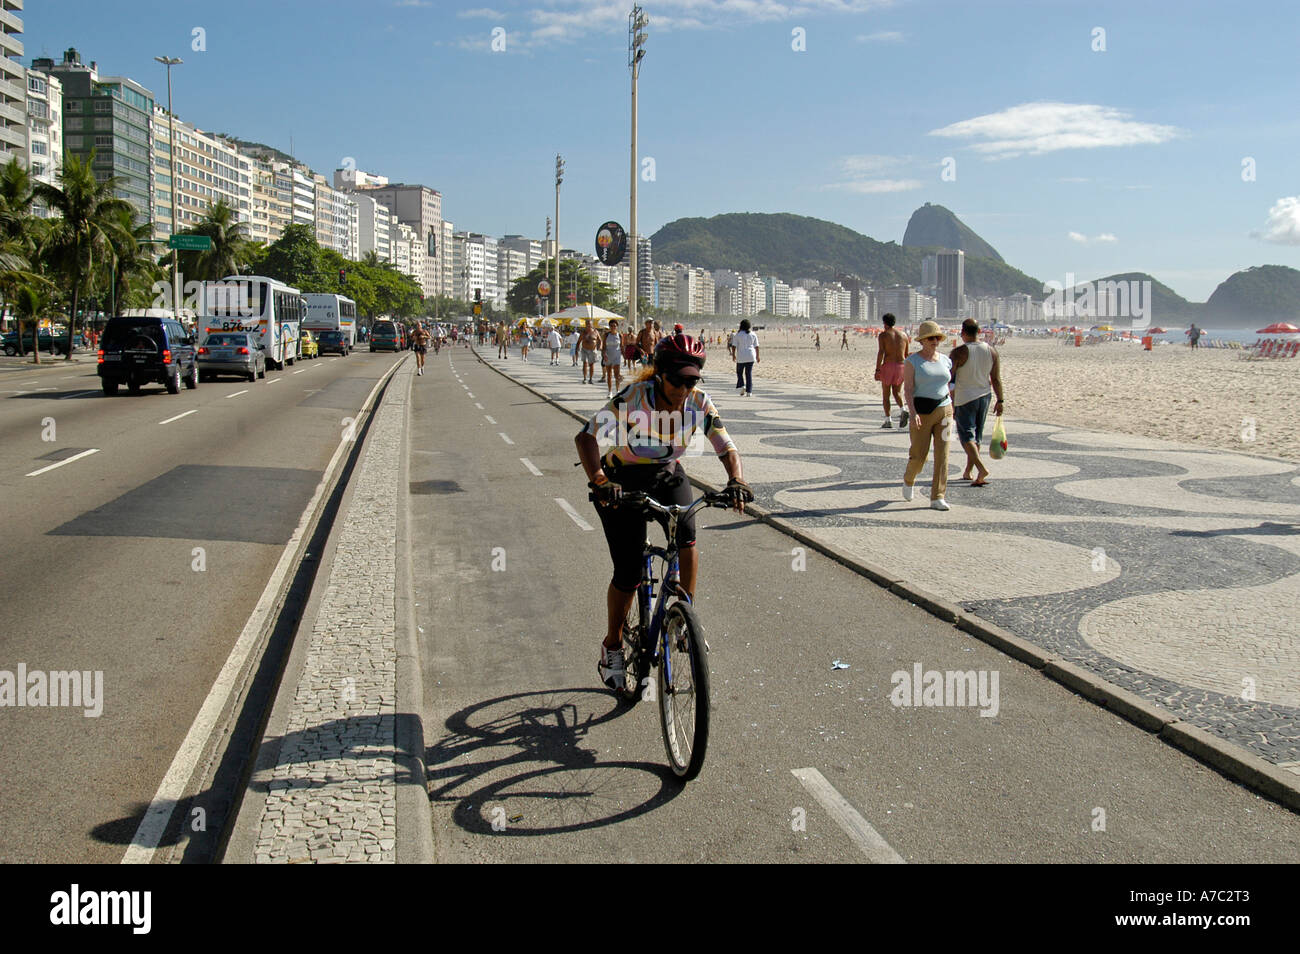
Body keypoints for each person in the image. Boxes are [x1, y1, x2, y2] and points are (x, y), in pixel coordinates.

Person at [575, 332, 753, 692]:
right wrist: (598, 480)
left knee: (687, 539)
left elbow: (726, 446)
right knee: (627, 572)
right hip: (621, 479)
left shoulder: (699, 403)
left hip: (666, 474)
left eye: (691, 380)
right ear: (659, 374)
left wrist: (736, 479)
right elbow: (586, 437)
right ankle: (612, 644)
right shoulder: (634, 399)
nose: (684, 389)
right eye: (677, 380)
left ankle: (684, 619)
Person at [902, 320, 954, 511]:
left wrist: (952, 407)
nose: (935, 341)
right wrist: (912, 412)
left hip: (945, 410)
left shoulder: (945, 360)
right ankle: (909, 479)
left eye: (937, 338)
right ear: (922, 341)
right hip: (922, 412)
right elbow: (907, 389)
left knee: (943, 454)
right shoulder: (912, 361)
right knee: (919, 455)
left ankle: (938, 496)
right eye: (931, 338)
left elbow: (948, 384)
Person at [950, 318, 1004, 487]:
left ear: (962, 332)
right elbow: (995, 379)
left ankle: (981, 469)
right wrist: (1000, 399)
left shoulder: (959, 352)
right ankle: (969, 472)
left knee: (966, 436)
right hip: (985, 396)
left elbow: (949, 377)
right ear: (979, 332)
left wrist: (947, 397)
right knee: (976, 436)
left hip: (965, 396)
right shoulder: (991, 351)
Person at [875, 313, 911, 428]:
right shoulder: (904, 335)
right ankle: (903, 410)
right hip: (901, 366)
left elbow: (881, 352)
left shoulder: (883, 335)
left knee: (886, 395)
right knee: (897, 392)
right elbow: (906, 354)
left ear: (884, 323)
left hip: (888, 365)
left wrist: (877, 369)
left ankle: (888, 420)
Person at [732, 318, 760, 396]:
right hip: (751, 356)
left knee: (739, 372)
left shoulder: (738, 335)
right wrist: (758, 356)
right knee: (748, 373)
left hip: (741, 356)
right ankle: (749, 391)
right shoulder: (753, 334)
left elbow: (734, 346)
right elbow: (756, 346)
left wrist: (733, 355)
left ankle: (741, 386)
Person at [601, 318, 623, 398]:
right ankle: (610, 391)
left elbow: (622, 347)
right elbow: (603, 347)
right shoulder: (606, 335)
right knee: (609, 375)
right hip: (608, 356)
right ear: (609, 327)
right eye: (611, 326)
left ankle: (617, 390)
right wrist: (604, 355)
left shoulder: (619, 335)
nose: (613, 327)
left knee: (616, 375)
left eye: (614, 326)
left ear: (617, 326)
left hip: (617, 356)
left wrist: (625, 359)